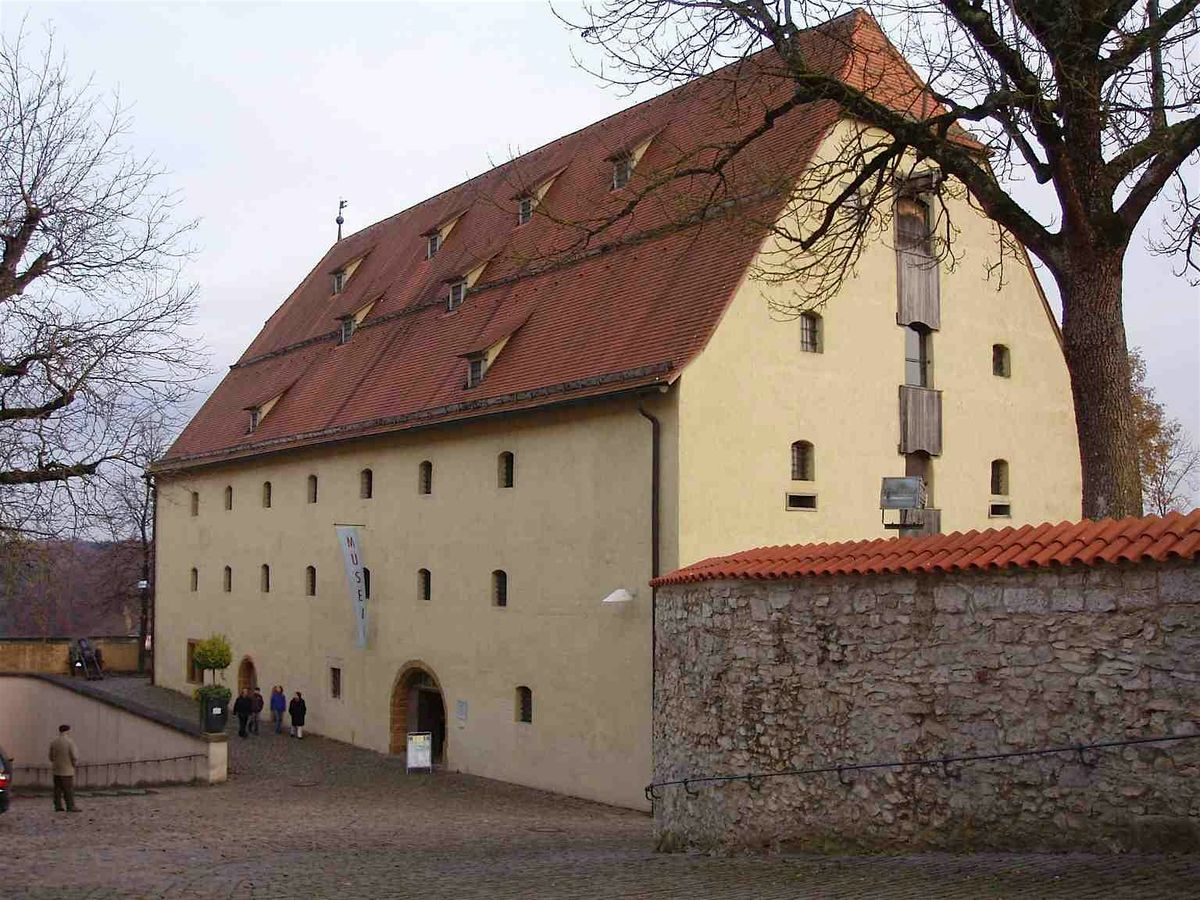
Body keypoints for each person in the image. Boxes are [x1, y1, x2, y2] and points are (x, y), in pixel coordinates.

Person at [49, 724, 79, 812]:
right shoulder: (70, 742)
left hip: (56, 769)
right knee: (68, 789)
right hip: (67, 769)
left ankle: (58, 806)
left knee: (57, 789)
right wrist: (74, 764)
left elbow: (50, 756)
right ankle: (70, 806)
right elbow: (74, 756)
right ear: (68, 731)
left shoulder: (54, 742)